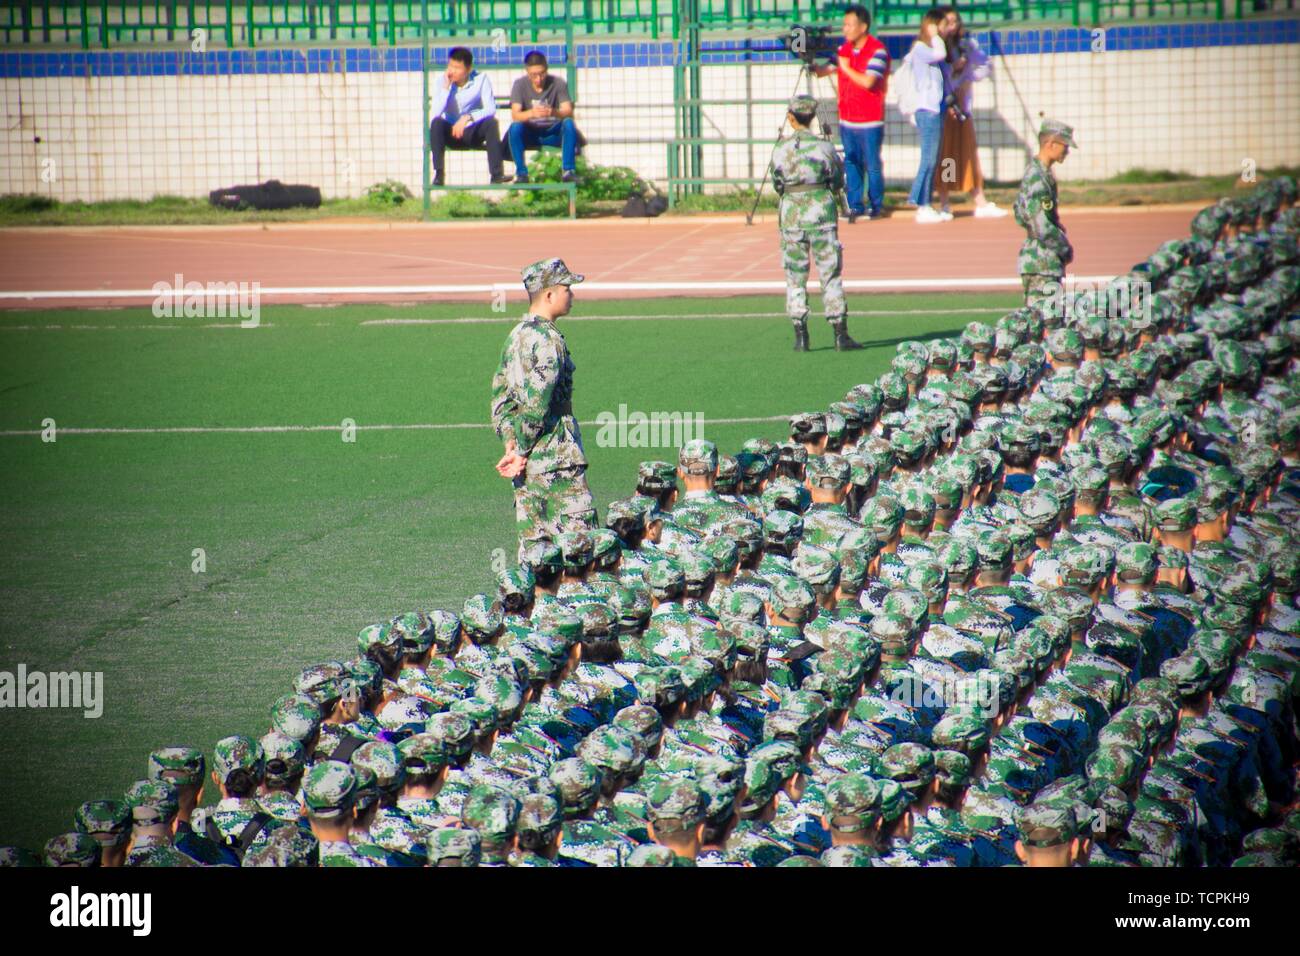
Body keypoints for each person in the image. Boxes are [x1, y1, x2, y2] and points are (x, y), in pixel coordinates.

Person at [491, 258, 597, 556]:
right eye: (567, 288)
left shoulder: (515, 337)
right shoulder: (548, 341)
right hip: (557, 465)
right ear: (549, 294)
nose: (572, 294)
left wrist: (510, 444)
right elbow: (537, 405)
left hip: (526, 472)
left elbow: (500, 399)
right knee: (577, 555)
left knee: (537, 561)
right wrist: (521, 451)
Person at [769, 94, 862, 353]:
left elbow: (777, 182)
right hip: (821, 211)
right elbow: (837, 178)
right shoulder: (824, 147)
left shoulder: (780, 148)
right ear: (812, 117)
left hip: (791, 214)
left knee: (794, 275)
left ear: (791, 118)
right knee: (829, 272)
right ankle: (839, 334)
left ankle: (801, 336)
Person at [814, 4, 889, 222]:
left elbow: (868, 81)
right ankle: (855, 206)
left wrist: (845, 67)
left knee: (872, 164)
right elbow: (823, 71)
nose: (844, 29)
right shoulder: (843, 51)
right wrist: (807, 58)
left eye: (849, 25)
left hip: (870, 120)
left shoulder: (878, 51)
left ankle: (877, 205)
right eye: (843, 25)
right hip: (848, 119)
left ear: (863, 27)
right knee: (852, 162)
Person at [934, 8, 1005, 218]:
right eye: (948, 22)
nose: (952, 27)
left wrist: (967, 78)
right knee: (947, 156)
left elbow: (985, 65)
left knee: (967, 153)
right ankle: (945, 201)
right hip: (944, 108)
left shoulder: (966, 44)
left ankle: (979, 199)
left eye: (955, 22)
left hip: (962, 107)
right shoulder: (936, 47)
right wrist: (954, 70)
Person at [1014, 120, 1077, 313]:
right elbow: (1042, 225)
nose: (1067, 152)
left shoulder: (1040, 173)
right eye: (1064, 147)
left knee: (1043, 322)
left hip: (1040, 260)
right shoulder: (1037, 178)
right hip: (1042, 262)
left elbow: (1019, 211)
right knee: (1045, 323)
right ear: (1050, 144)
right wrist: (1064, 248)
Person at [429, 47, 510, 186]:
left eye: (457, 67)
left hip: (471, 132)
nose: (452, 71)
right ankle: (439, 174)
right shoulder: (441, 81)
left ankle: (496, 175)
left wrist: (467, 117)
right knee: (436, 123)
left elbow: (490, 109)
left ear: (468, 69)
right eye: (450, 66)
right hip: (451, 132)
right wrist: (446, 88)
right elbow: (435, 112)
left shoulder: (481, 79)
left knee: (491, 123)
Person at [904, 9, 950, 223]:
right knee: (929, 158)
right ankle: (921, 203)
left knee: (934, 158)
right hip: (927, 110)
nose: (943, 30)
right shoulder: (921, 48)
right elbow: (941, 54)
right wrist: (934, 36)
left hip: (935, 109)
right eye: (941, 25)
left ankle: (926, 203)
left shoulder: (928, 48)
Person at [508, 51, 579, 184]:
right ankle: (521, 173)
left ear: (546, 70)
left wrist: (554, 112)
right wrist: (531, 113)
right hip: (530, 133)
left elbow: (568, 111)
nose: (538, 79)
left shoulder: (558, 83)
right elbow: (515, 115)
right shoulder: (519, 84)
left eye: (542, 74)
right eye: (534, 75)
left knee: (568, 123)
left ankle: (568, 171)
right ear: (527, 72)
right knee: (515, 127)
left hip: (552, 132)